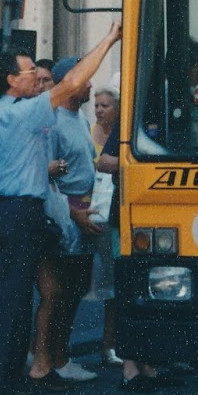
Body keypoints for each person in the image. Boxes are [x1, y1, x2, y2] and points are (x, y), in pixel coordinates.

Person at [0, 22, 121, 395]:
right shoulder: (24, 114)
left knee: (10, 302)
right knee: (12, 305)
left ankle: (2, 386)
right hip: (20, 213)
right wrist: (107, 40)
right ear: (9, 81)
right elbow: (71, 84)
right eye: (29, 71)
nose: (36, 75)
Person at [32, 57, 106, 385]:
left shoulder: (78, 119)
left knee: (74, 292)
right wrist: (72, 214)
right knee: (56, 293)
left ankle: (60, 356)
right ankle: (48, 358)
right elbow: (44, 177)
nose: (90, 84)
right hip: (65, 217)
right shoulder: (54, 122)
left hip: (83, 216)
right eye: (85, 79)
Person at [89, 86, 122, 367]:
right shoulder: (88, 132)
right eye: (97, 105)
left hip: (110, 211)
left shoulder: (123, 135)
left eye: (105, 106)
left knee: (112, 284)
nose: (99, 110)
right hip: (88, 211)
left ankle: (109, 344)